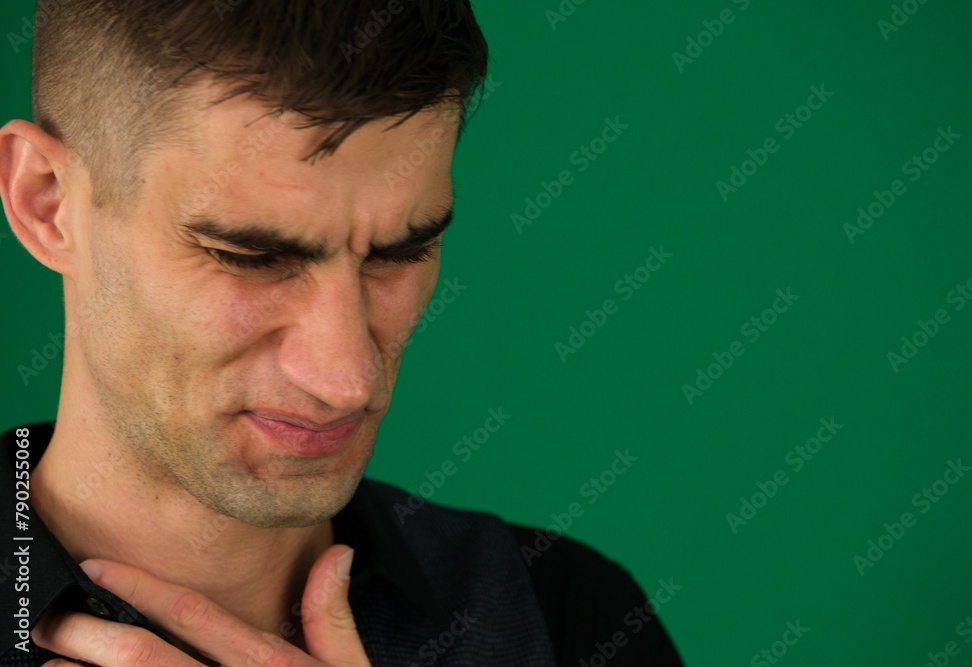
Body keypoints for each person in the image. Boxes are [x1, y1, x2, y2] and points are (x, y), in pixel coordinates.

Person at [0, 1, 684, 665]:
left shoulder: (571, 618)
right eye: (251, 257)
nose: (348, 378)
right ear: (47, 202)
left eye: (401, 252)